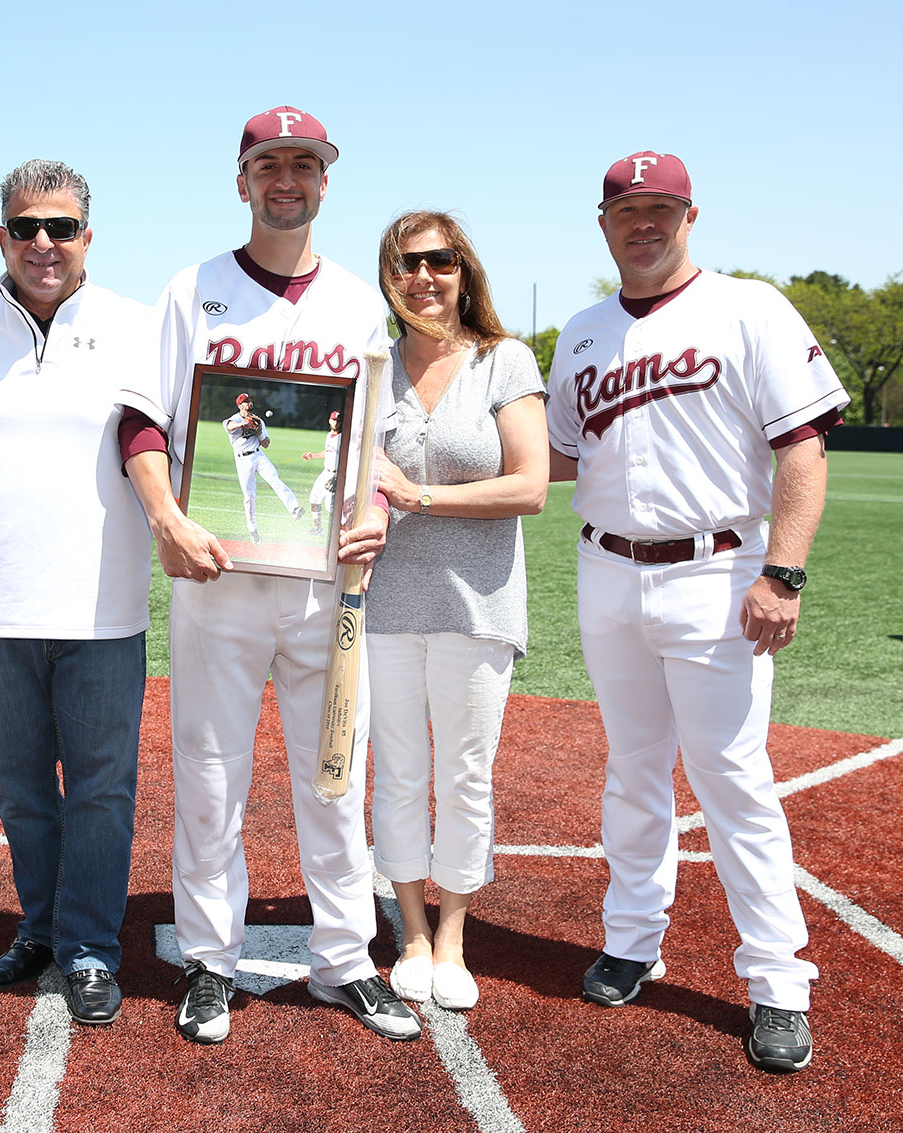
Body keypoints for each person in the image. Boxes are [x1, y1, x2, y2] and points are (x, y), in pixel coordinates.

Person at [117, 105, 415, 1045]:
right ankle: (211, 957)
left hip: (327, 585)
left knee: (335, 773)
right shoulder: (192, 289)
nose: (286, 178)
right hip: (218, 579)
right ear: (240, 179)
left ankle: (343, 957)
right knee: (211, 775)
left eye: (304, 163)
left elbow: (375, 446)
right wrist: (164, 518)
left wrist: (372, 515)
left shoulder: (363, 304)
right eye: (268, 163)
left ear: (326, 181)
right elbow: (140, 424)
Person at [546, 151, 847, 1073]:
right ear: (604, 223)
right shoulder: (582, 332)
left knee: (732, 778)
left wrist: (783, 574)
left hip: (720, 575)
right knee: (633, 769)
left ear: (690, 215)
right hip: (607, 570)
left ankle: (777, 979)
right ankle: (633, 938)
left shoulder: (748, 306)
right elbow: (557, 459)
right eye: (629, 208)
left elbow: (803, 447)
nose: (646, 221)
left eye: (662, 208)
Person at [0, 159, 152, 1026]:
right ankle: (39, 926)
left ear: (88, 238)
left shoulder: (137, 327)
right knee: (23, 787)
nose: (43, 243)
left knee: (101, 786)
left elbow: (163, 442)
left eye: (61, 227)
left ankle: (92, 946)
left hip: (104, 605)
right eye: (25, 226)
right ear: (1, 237)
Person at [364, 211, 547, 1012]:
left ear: (465, 271)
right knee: (399, 770)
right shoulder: (371, 366)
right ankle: (408, 929)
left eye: (440, 261)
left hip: (479, 606)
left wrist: (419, 494)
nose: (424, 277)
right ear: (389, 275)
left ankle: (453, 935)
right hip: (385, 604)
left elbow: (530, 484)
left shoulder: (503, 360)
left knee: (465, 774)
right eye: (407, 264)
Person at [223, 391, 305, 542]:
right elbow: (229, 426)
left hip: (258, 455)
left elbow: (266, 444)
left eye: (249, 400)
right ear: (240, 405)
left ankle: (294, 509)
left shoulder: (258, 420)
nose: (249, 403)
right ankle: (252, 529)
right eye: (245, 401)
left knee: (275, 479)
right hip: (243, 461)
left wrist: (259, 432)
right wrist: (243, 424)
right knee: (249, 497)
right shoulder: (233, 419)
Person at [301, 410, 342, 533]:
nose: (336, 423)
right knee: (314, 498)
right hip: (326, 472)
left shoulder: (344, 437)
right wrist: (312, 456)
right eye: (334, 420)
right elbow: (327, 452)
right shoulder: (329, 435)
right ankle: (317, 528)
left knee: (330, 506)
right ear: (329, 420)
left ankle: (339, 531)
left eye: (338, 420)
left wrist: (338, 475)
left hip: (336, 474)